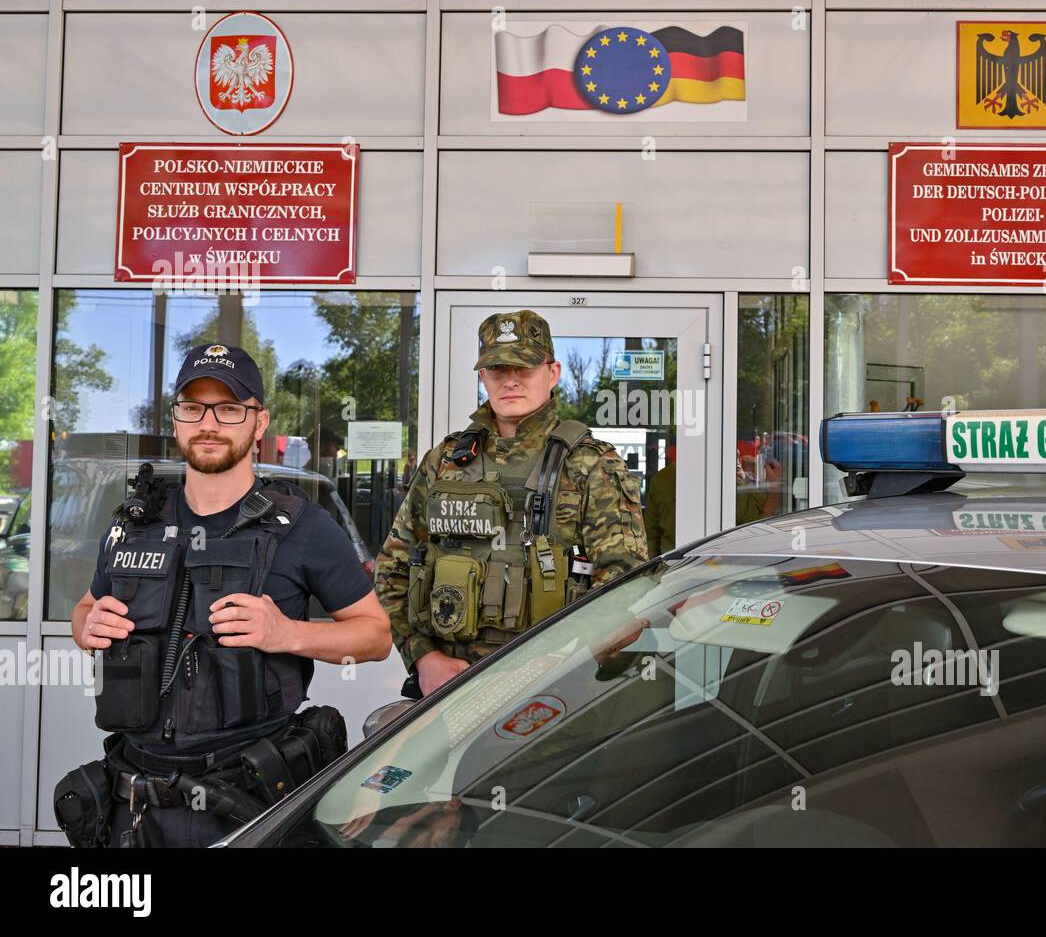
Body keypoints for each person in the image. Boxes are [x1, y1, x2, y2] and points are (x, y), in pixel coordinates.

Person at [57, 343, 391, 848]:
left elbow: (375, 637)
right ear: (176, 420)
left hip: (248, 805)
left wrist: (287, 633)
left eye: (229, 408)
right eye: (193, 407)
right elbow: (85, 610)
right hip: (135, 807)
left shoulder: (304, 528)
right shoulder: (135, 524)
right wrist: (86, 626)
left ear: (259, 424)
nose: (208, 423)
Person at [376, 310, 649, 697]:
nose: (511, 380)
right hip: (451, 686)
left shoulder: (590, 463)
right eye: (497, 369)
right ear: (483, 376)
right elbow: (393, 568)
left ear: (552, 373)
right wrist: (423, 658)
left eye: (525, 367)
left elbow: (625, 587)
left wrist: (567, 659)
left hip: (553, 690)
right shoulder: (447, 459)